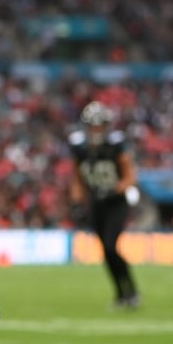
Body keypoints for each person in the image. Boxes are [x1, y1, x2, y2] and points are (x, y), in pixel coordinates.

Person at [69, 100, 140, 309]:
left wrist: (114, 190)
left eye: (99, 125)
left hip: (116, 201)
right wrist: (77, 202)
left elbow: (130, 176)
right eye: (92, 125)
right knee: (106, 250)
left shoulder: (115, 145)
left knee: (110, 245)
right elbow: (77, 177)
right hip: (96, 202)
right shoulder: (79, 147)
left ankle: (132, 291)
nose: (96, 130)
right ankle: (121, 294)